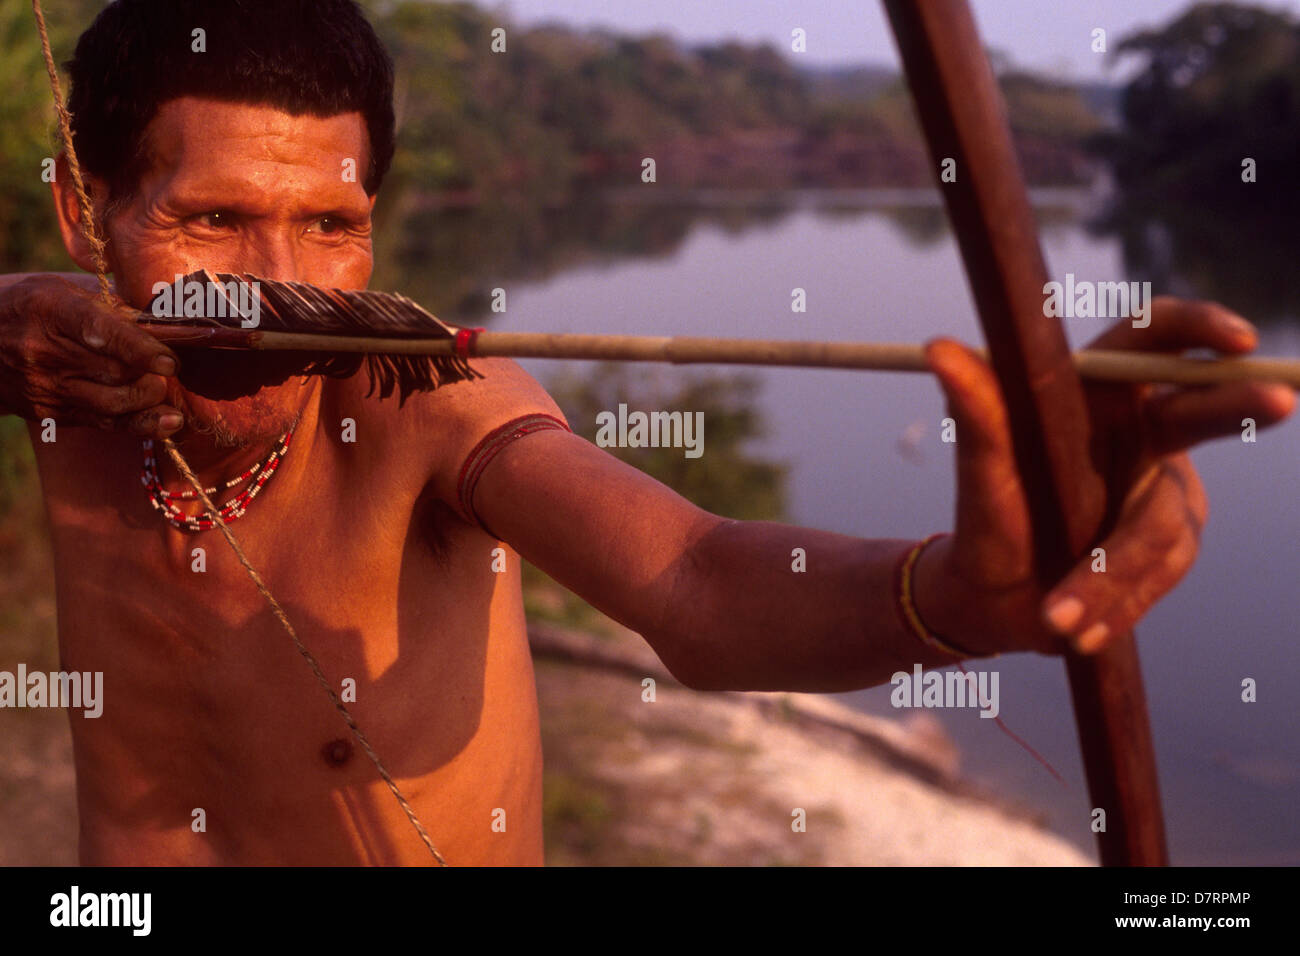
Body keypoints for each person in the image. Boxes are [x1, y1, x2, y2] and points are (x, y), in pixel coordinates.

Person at [0, 0, 1291, 865]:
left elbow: (695, 581)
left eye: (332, 228)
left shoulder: (430, 406)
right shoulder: (65, 365)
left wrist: (955, 594)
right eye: (214, 222)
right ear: (83, 212)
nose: (281, 291)